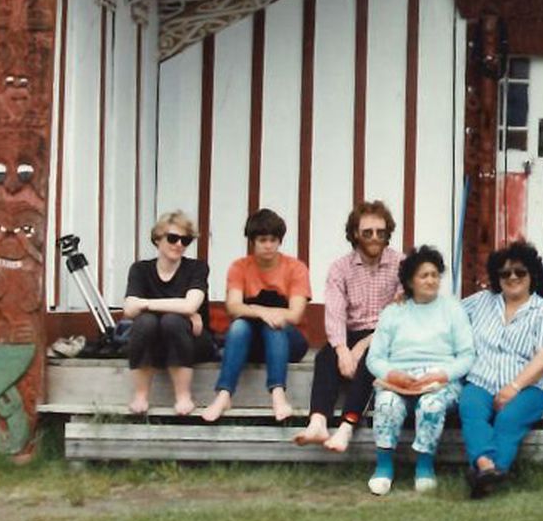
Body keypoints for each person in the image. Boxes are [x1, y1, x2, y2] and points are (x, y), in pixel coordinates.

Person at [365, 245, 474, 495]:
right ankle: (383, 466)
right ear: (410, 281)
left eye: (435, 275)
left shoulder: (453, 309)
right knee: (387, 404)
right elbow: (375, 358)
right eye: (424, 275)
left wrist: (442, 374)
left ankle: (424, 466)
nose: (431, 280)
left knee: (431, 405)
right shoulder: (393, 312)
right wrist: (393, 375)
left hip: (440, 380)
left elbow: (467, 356)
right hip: (400, 378)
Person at [295, 200, 401, 451]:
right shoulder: (340, 268)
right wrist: (342, 350)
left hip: (386, 336)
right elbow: (334, 313)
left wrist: (363, 346)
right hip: (351, 333)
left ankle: (346, 426)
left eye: (381, 232)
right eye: (367, 232)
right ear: (355, 233)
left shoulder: (401, 264)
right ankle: (318, 422)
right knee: (325, 357)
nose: (374, 238)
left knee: (370, 359)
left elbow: (398, 315)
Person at [458, 242, 543, 496]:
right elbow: (446, 314)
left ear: (532, 274)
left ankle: (485, 473)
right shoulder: (481, 301)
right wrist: (408, 300)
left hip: (529, 386)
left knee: (509, 419)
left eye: (520, 272)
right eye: (505, 273)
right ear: (497, 277)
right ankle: (486, 467)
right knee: (470, 408)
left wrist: (513, 387)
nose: (512, 277)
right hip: (482, 380)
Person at [202, 209, 310, 424]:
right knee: (239, 326)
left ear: (280, 241)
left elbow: (295, 314)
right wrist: (262, 312)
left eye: (273, 240)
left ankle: (278, 394)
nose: (268, 245)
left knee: (274, 325)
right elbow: (233, 307)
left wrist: (260, 312)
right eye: (262, 240)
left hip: (289, 342)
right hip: (250, 343)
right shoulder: (239, 267)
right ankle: (224, 394)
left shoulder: (295, 268)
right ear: (252, 241)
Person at [122, 210, 213, 416]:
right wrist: (180, 308)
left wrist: (145, 303)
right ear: (157, 239)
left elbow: (190, 306)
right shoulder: (140, 269)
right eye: (172, 238)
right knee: (145, 323)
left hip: (193, 341)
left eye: (185, 240)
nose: (179, 244)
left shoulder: (197, 268)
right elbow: (129, 309)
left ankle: (183, 397)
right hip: (153, 341)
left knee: (172, 321)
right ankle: (140, 396)